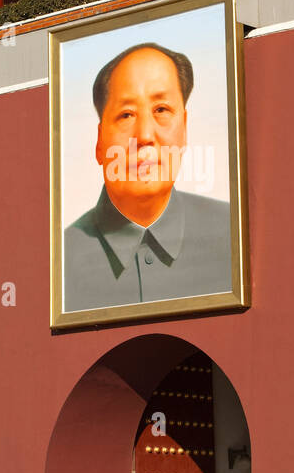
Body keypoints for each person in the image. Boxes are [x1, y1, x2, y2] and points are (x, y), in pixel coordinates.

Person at [63, 43, 231, 311]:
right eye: (126, 115)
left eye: (161, 110)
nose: (144, 136)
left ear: (184, 129)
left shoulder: (233, 234)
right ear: (99, 143)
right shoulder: (59, 263)